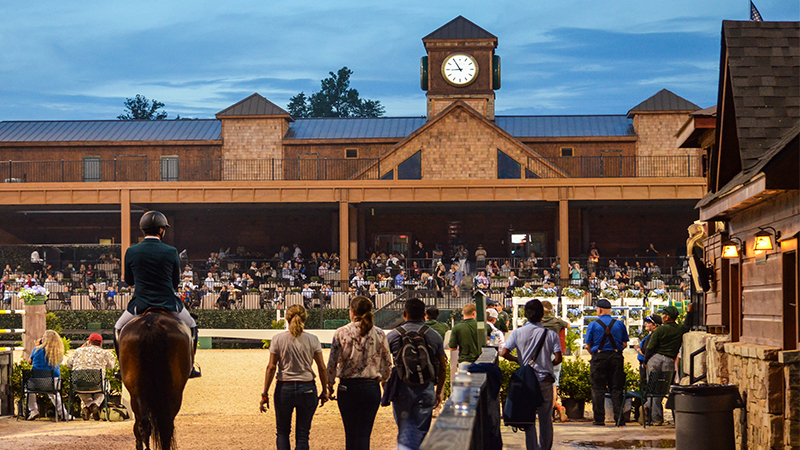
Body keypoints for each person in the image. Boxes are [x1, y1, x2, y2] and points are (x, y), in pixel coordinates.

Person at [113, 211, 201, 378]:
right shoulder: (171, 251)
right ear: (161, 229)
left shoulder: (131, 251)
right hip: (168, 302)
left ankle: (121, 368)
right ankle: (190, 367)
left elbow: (130, 281)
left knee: (117, 328)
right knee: (192, 327)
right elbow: (175, 282)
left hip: (140, 304)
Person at [326, 297, 392, 450]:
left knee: (350, 434)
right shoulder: (379, 334)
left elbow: (332, 363)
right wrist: (384, 380)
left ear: (353, 311)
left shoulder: (341, 332)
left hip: (347, 388)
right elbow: (387, 362)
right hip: (370, 388)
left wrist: (329, 384)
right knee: (364, 434)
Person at [260, 305, 328, 450]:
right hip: (307, 387)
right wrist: (325, 389)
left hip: (285, 387)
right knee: (303, 434)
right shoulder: (313, 339)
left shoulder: (278, 339)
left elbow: (271, 367)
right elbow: (322, 367)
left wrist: (265, 393)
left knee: (283, 432)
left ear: (287, 318)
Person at [500, 300, 562, 450]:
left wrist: (519, 360)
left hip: (526, 382)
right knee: (545, 418)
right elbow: (558, 358)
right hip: (545, 381)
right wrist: (548, 364)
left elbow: (504, 353)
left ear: (525, 315)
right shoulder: (550, 334)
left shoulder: (517, 333)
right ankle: (545, 447)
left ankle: (532, 447)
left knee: (528, 417)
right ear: (542, 316)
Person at [385, 299, 447, 450]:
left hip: (401, 387)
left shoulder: (393, 335)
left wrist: (386, 386)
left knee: (404, 431)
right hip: (426, 387)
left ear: (404, 314)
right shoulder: (434, 335)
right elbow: (443, 365)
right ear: (424, 315)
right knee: (421, 432)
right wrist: (439, 391)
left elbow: (383, 364)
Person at [643, 304, 694, 425]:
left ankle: (653, 414)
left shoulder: (660, 329)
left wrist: (645, 361)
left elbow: (650, 347)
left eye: (664, 314)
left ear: (668, 317)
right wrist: (689, 312)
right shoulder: (679, 329)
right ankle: (652, 412)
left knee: (652, 388)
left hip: (655, 359)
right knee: (663, 389)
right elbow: (687, 325)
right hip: (669, 361)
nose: (662, 316)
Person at [583, 298, 629, 426]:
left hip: (599, 357)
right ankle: (619, 418)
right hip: (616, 357)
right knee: (616, 389)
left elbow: (587, 345)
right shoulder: (619, 324)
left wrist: (595, 354)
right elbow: (624, 343)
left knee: (598, 389)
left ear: (600, 310)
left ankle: (599, 419)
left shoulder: (593, 324)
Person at [65, 333, 116, 420]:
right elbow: (111, 366)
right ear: (100, 343)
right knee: (106, 384)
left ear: (89, 342)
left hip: (78, 385)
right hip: (97, 384)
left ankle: (88, 405)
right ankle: (95, 404)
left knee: (80, 384)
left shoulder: (78, 351)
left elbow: (69, 365)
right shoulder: (104, 353)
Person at [27, 330, 69, 420]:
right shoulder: (58, 353)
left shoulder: (36, 350)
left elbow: (30, 362)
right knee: (54, 394)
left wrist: (37, 347)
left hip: (36, 382)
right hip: (53, 381)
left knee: (28, 390)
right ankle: (64, 414)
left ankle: (33, 410)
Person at [541, 300, 569, 423]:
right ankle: (555, 409)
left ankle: (548, 412)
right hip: (555, 355)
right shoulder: (556, 321)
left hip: (541, 356)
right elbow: (568, 325)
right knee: (553, 385)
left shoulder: (537, 322)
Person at [632, 314, 662, 423]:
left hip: (647, 366)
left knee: (647, 388)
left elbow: (646, 352)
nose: (646, 324)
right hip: (647, 365)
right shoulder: (651, 336)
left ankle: (647, 412)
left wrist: (637, 349)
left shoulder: (653, 337)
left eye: (648, 322)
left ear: (655, 325)